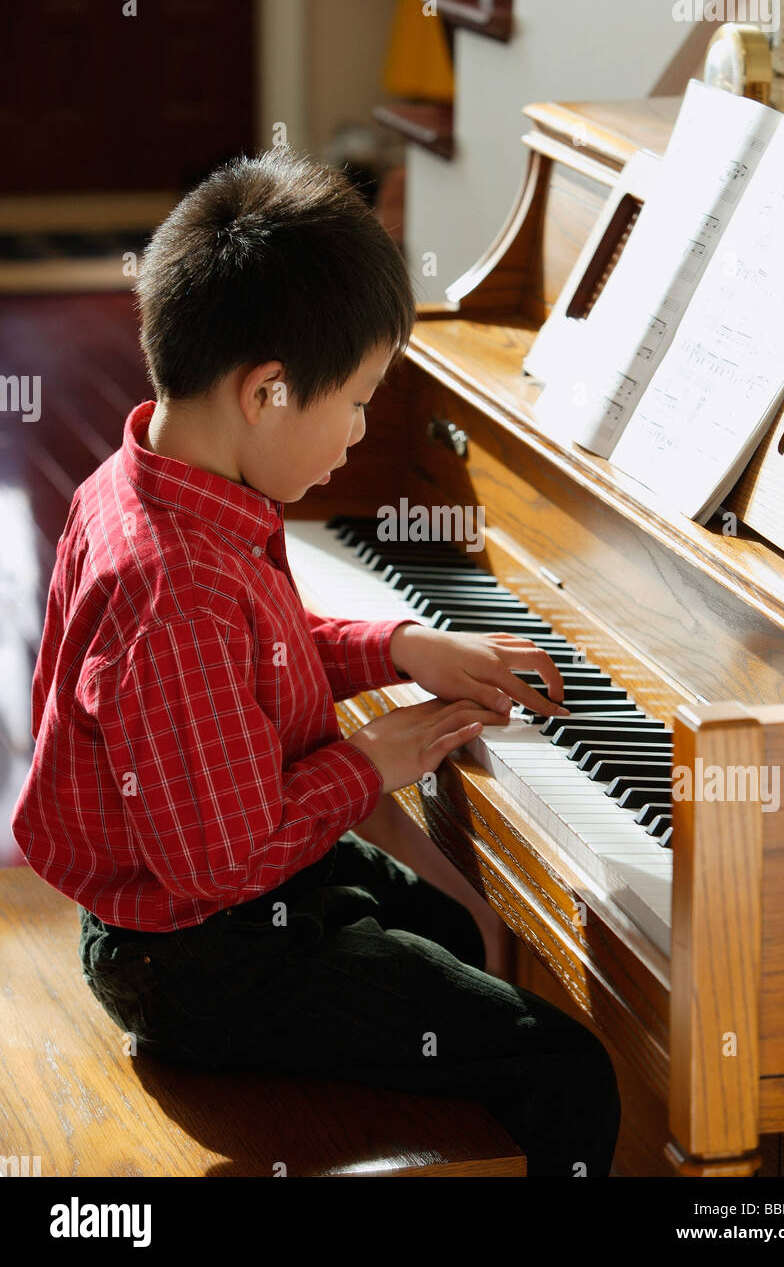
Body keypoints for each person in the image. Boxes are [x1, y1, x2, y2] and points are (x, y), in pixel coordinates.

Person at [12, 147, 620, 1177]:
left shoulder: (169, 483)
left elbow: (260, 663)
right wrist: (373, 760)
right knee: (569, 1071)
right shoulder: (172, 586)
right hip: (200, 958)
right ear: (266, 392)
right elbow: (223, 860)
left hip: (227, 906)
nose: (362, 430)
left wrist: (396, 644)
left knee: (449, 932)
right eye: (358, 399)